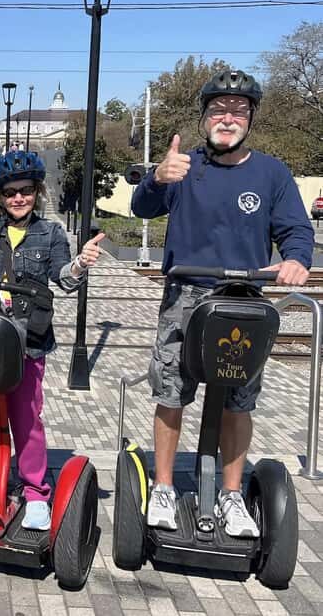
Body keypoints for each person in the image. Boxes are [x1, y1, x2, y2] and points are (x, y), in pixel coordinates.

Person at [131, 69, 313, 537]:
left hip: (243, 299)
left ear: (250, 119)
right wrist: (156, 178)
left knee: (239, 399)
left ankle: (232, 494)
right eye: (218, 110)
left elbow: (295, 228)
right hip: (186, 295)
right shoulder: (184, 166)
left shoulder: (271, 172)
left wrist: (296, 259)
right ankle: (166, 485)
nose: (227, 118)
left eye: (238, 111)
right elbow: (142, 208)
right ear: (204, 117)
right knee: (171, 393)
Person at [0, 150, 104, 528]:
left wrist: (81, 262)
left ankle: (35, 491)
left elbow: (63, 277)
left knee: (26, 419)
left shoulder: (50, 232)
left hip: (29, 341)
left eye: (25, 190)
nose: (18, 198)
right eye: (10, 191)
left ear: (37, 192)